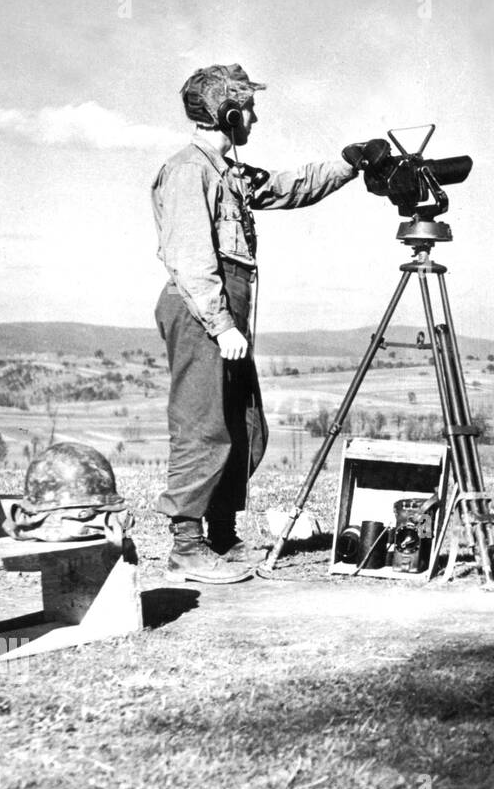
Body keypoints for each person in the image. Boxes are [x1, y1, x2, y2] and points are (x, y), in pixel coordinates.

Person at [152, 63, 363, 583]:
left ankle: (221, 534)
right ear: (227, 112)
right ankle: (187, 543)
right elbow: (188, 255)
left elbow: (290, 187)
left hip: (226, 311)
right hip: (203, 308)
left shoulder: (229, 174)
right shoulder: (188, 170)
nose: (255, 117)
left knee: (243, 426)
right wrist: (222, 324)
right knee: (203, 424)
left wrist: (349, 163)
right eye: (248, 107)